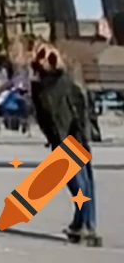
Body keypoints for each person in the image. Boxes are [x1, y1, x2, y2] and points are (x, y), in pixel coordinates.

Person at [30, 44, 101, 247]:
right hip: (77, 136)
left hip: (66, 140)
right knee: (85, 183)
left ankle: (84, 226)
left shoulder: (44, 87)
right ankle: (83, 225)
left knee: (80, 185)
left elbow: (50, 118)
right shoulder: (65, 79)